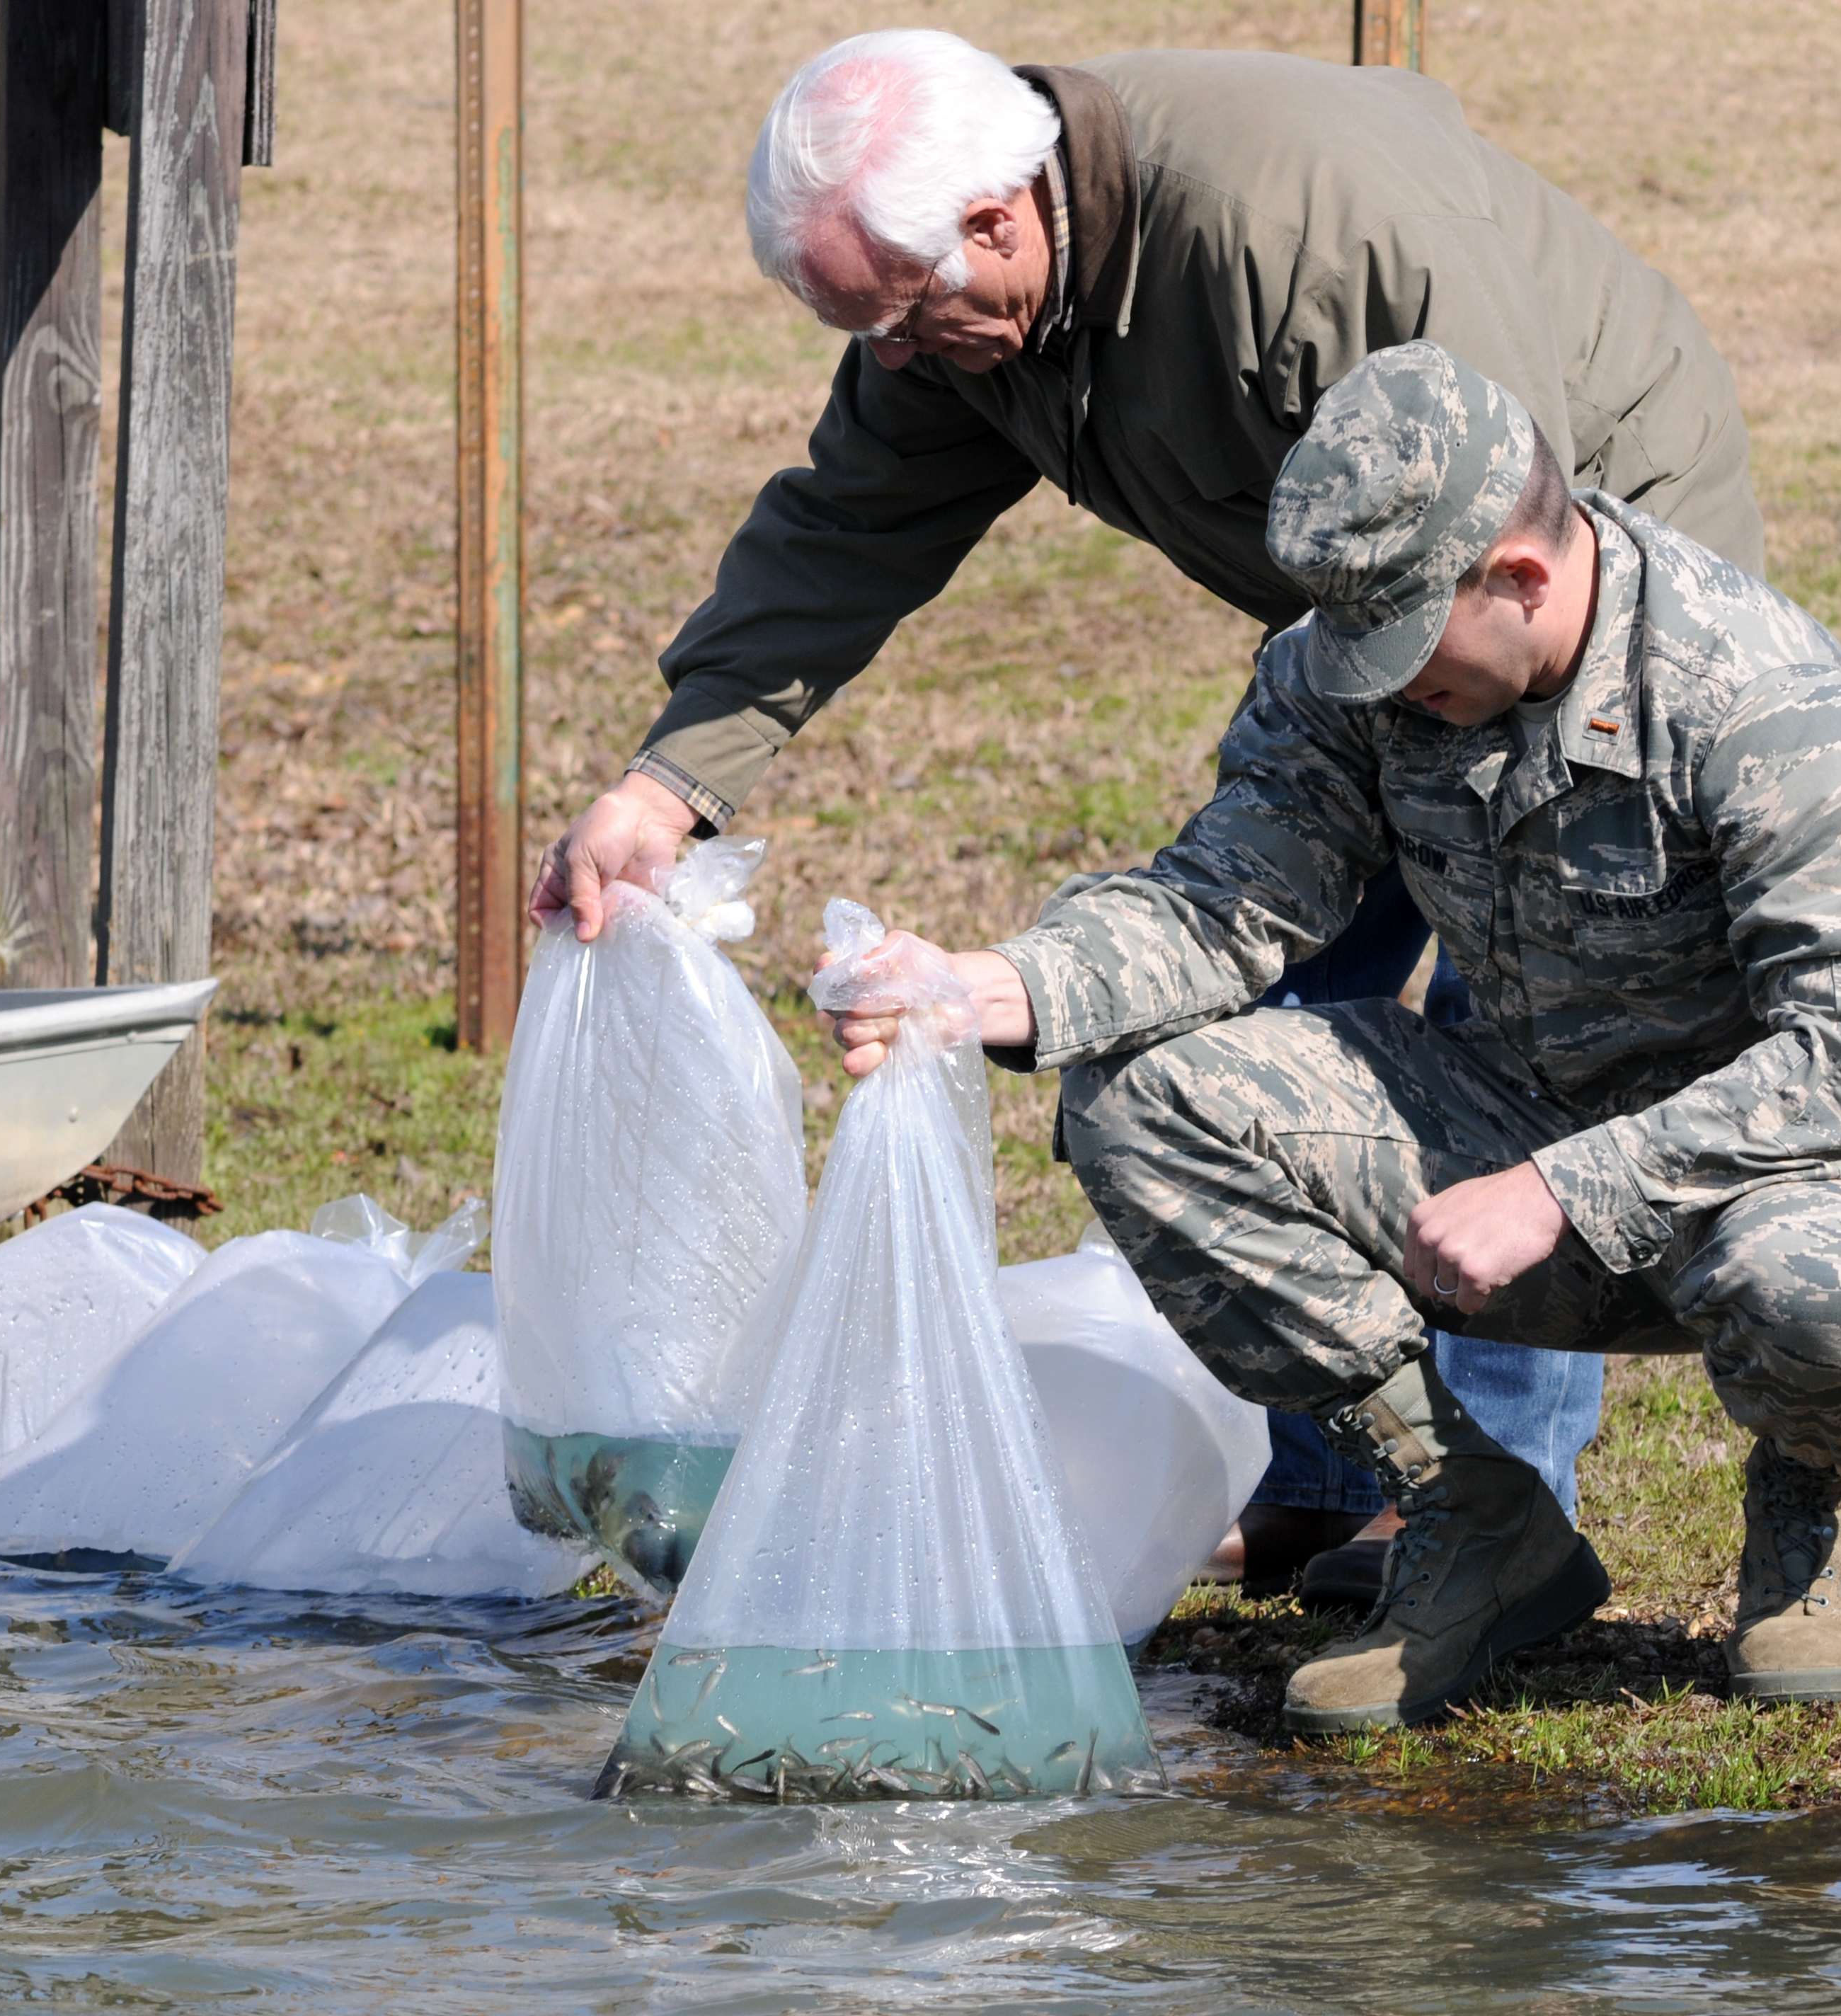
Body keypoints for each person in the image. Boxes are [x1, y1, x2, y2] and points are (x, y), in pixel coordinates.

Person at [532, 28, 1757, 1593]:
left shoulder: (1293, 231)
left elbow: (1508, 510)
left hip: (1557, 563)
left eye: (900, 317)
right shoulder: (967, 306)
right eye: (864, 330)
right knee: (1290, 1014)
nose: (891, 359)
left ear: (995, 219)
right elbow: (844, 530)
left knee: (1505, 1019)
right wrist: (665, 786)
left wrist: (1464, 765)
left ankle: (1492, 1508)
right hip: (1358, 618)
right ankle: (1339, 1475)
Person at [818, 343, 1841, 1726]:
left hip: (1803, 1167)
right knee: (1141, 1095)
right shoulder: (1358, 673)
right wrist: (987, 986)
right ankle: (1469, 1510)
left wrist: (1558, 1188)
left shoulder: (1771, 707)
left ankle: (1818, 1497)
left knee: (1821, 1276)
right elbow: (1229, 898)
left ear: (1519, 577)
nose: (1378, 687)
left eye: (1402, 645)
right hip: (1534, 1115)